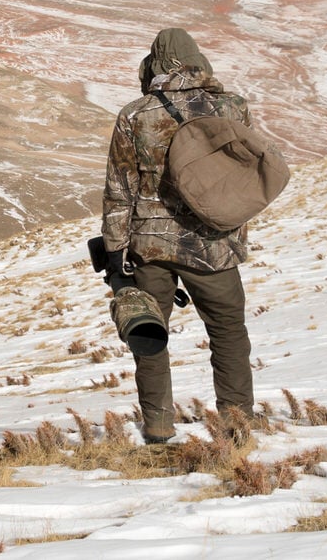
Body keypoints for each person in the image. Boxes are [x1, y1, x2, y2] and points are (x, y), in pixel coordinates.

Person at [101, 27, 256, 444]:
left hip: (151, 248)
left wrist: (115, 251)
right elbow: (240, 175)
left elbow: (120, 189)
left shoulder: (135, 115)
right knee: (228, 333)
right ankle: (237, 426)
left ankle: (157, 426)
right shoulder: (233, 108)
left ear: (153, 63)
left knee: (150, 334)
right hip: (215, 245)